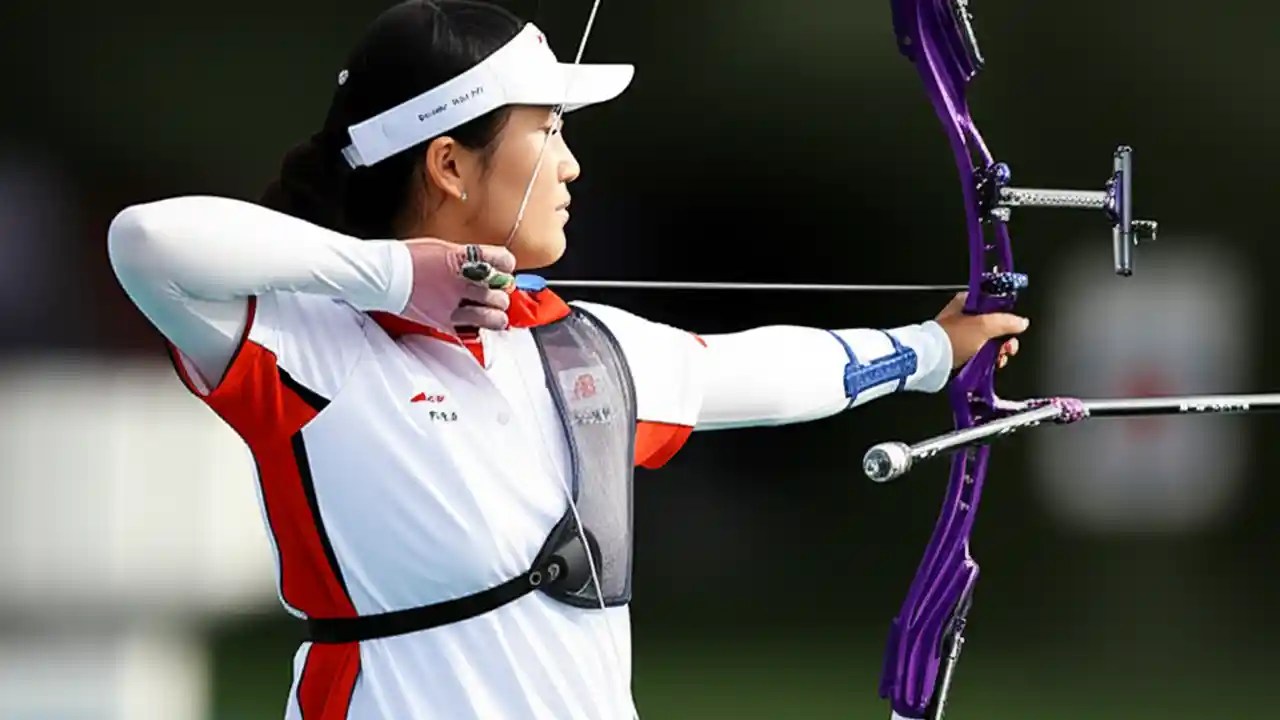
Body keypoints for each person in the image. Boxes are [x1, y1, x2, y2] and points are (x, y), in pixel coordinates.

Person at [106, 1, 1028, 718]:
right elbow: (145, 242)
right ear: (450, 166)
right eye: (547, 130)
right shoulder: (312, 341)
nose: (571, 164)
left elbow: (755, 371)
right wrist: (392, 277)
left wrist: (931, 351)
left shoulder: (578, 345)